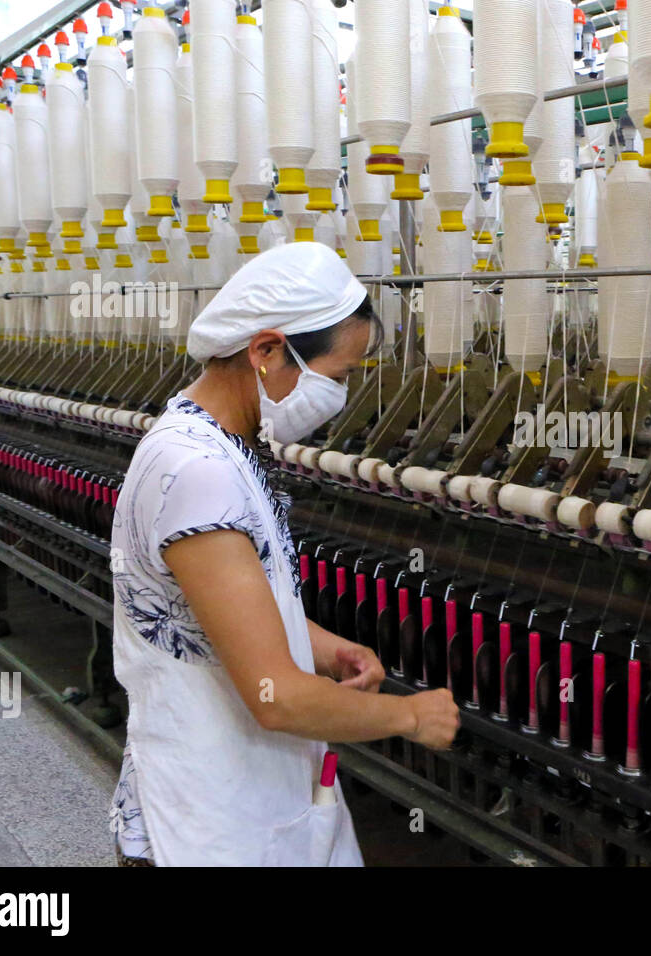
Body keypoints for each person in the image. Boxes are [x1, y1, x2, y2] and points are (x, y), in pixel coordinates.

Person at [108, 243, 458, 866]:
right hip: (208, 817)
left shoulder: (219, 446)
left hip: (244, 787)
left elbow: (224, 608)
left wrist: (320, 645)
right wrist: (409, 717)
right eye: (338, 373)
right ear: (266, 351)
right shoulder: (197, 471)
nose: (338, 393)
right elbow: (275, 696)